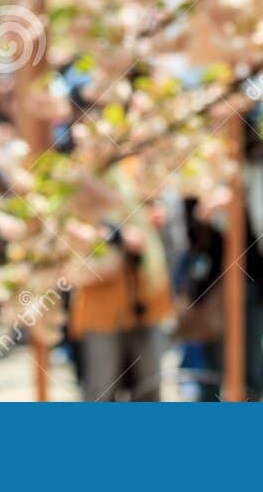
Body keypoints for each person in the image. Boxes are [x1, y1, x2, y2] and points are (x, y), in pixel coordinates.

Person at [69, 166, 174, 401]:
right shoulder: (78, 176)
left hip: (145, 301)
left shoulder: (135, 172)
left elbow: (155, 220)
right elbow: (74, 241)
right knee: (101, 390)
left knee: (149, 389)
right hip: (101, 310)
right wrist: (117, 237)